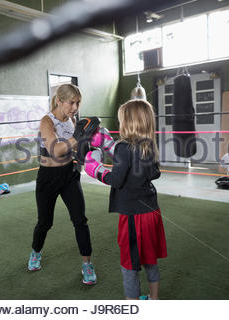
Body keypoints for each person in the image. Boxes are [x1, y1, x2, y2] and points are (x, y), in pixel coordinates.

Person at [85, 99, 167, 299]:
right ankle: (154, 300)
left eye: (121, 120)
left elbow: (117, 179)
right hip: (151, 213)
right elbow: (148, 171)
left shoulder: (124, 148)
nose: (120, 124)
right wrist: (108, 145)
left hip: (133, 216)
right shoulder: (149, 146)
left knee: (129, 265)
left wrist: (96, 170)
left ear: (128, 123)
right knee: (150, 260)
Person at [28, 83, 99, 285]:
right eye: (71, 102)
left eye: (77, 103)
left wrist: (89, 147)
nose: (75, 107)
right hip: (48, 177)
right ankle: (35, 252)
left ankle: (87, 264)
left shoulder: (72, 120)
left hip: (69, 175)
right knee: (45, 222)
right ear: (59, 101)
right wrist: (79, 136)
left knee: (80, 220)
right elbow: (56, 150)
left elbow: (76, 148)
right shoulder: (46, 122)